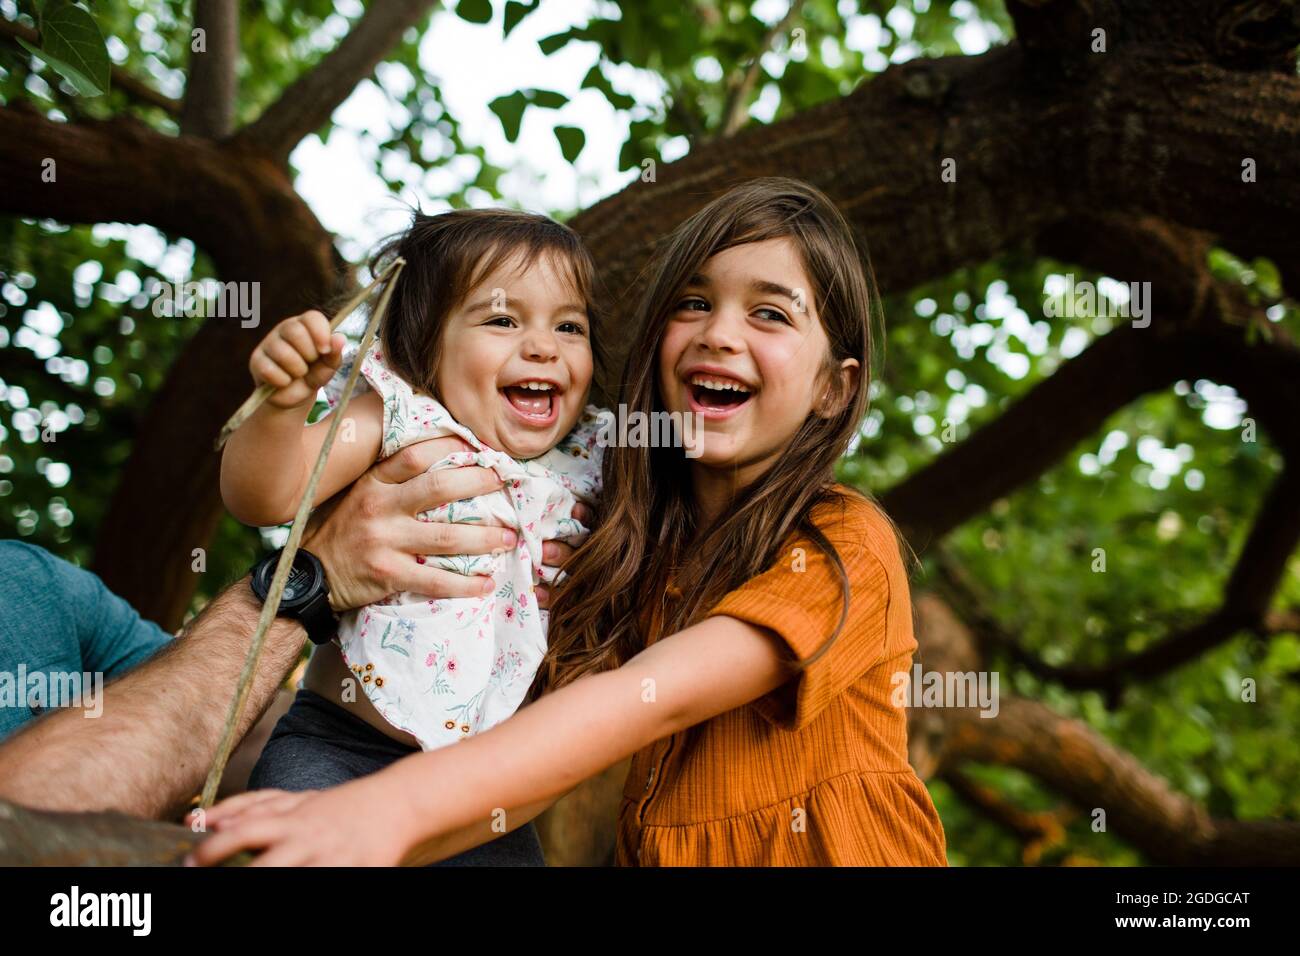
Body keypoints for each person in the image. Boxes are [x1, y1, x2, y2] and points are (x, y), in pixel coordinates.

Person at [190, 177, 949, 867]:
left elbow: (648, 695)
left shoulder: (841, 543)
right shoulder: (623, 537)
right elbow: (267, 495)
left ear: (834, 389)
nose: (719, 333)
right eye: (692, 303)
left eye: (771, 313)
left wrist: (386, 815)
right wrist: (286, 406)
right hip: (382, 762)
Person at [0, 438, 584, 826]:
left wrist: (458, 717)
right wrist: (308, 576)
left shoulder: (29, 583)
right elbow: (29, 832)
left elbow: (215, 720)